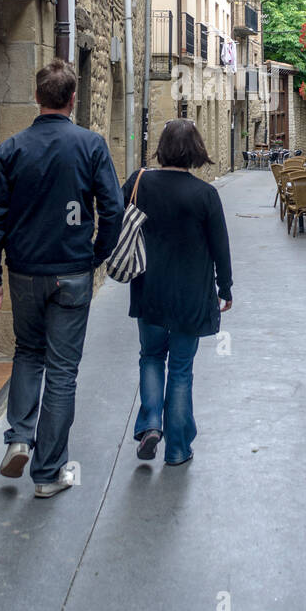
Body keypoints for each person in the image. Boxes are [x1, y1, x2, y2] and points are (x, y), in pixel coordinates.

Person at [0, 59, 124, 497]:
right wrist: (96, 255)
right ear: (73, 98)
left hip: (24, 271)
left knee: (28, 353)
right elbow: (113, 210)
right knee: (63, 371)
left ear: (37, 96)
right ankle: (48, 474)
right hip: (72, 272)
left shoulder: (10, 150)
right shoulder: (91, 146)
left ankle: (19, 437)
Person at [121, 120, 233, 466]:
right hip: (190, 296)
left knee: (151, 357)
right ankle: (178, 449)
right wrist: (224, 287)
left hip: (149, 291)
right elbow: (220, 247)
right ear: (196, 151)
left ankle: (151, 422)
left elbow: (114, 218)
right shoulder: (205, 195)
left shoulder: (138, 183)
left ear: (163, 148)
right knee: (181, 369)